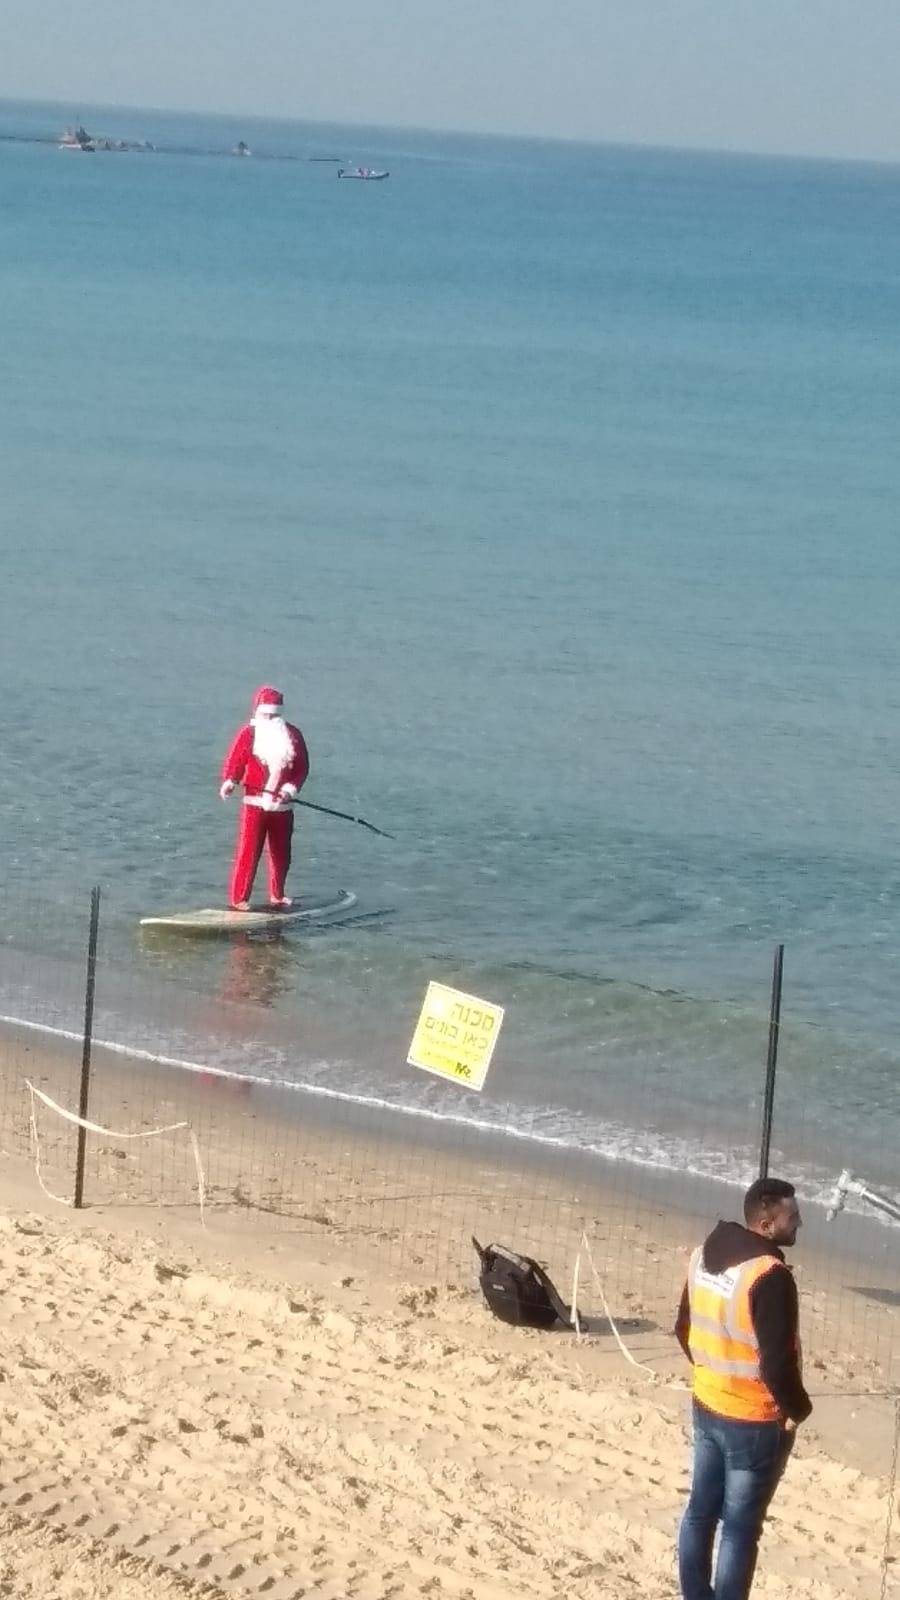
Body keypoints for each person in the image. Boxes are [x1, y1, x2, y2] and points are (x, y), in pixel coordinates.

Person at [675, 1176, 812, 1600]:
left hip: (707, 1403)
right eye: (793, 1216)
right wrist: (797, 1409)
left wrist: (712, 1374)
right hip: (752, 1422)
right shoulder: (770, 1276)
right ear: (767, 1224)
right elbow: (776, 1363)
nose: (800, 1222)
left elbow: (684, 1328)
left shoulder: (704, 1255)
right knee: (739, 1529)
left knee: (700, 1511)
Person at [219, 685, 310, 910]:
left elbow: (301, 768)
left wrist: (289, 789)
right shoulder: (248, 734)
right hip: (254, 806)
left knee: (281, 854)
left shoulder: (293, 735)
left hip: (282, 808)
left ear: (280, 714)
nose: (269, 719)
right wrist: (230, 780)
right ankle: (239, 899)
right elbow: (236, 761)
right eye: (265, 714)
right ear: (258, 712)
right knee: (248, 853)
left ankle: (277, 895)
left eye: (274, 715)